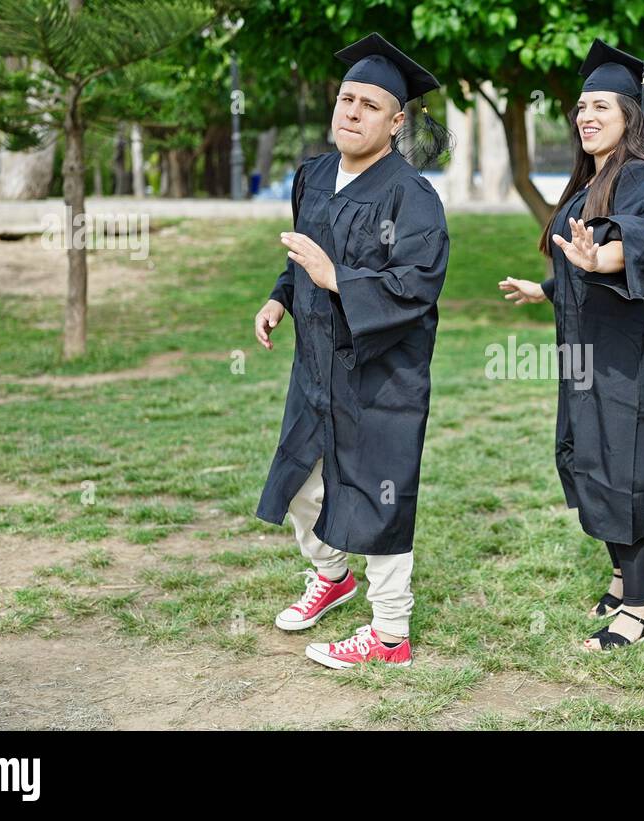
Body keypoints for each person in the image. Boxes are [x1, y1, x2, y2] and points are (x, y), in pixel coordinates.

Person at [252, 32, 452, 669]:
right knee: (301, 484)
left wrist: (338, 278)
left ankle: (391, 635)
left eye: (369, 105)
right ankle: (331, 577)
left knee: (377, 497)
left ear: (396, 122)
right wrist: (281, 296)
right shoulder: (311, 176)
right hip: (315, 364)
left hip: (380, 376)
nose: (352, 111)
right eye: (346, 98)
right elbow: (302, 256)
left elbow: (415, 288)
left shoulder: (411, 196)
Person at [499, 39, 644, 651]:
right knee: (584, 460)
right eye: (581, 106)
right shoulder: (591, 181)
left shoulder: (640, 179)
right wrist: (548, 286)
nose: (586, 116)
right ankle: (618, 574)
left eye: (600, 105)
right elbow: (581, 264)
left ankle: (641, 609)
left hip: (625, 364)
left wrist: (604, 256)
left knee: (623, 473)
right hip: (586, 359)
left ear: (630, 116)